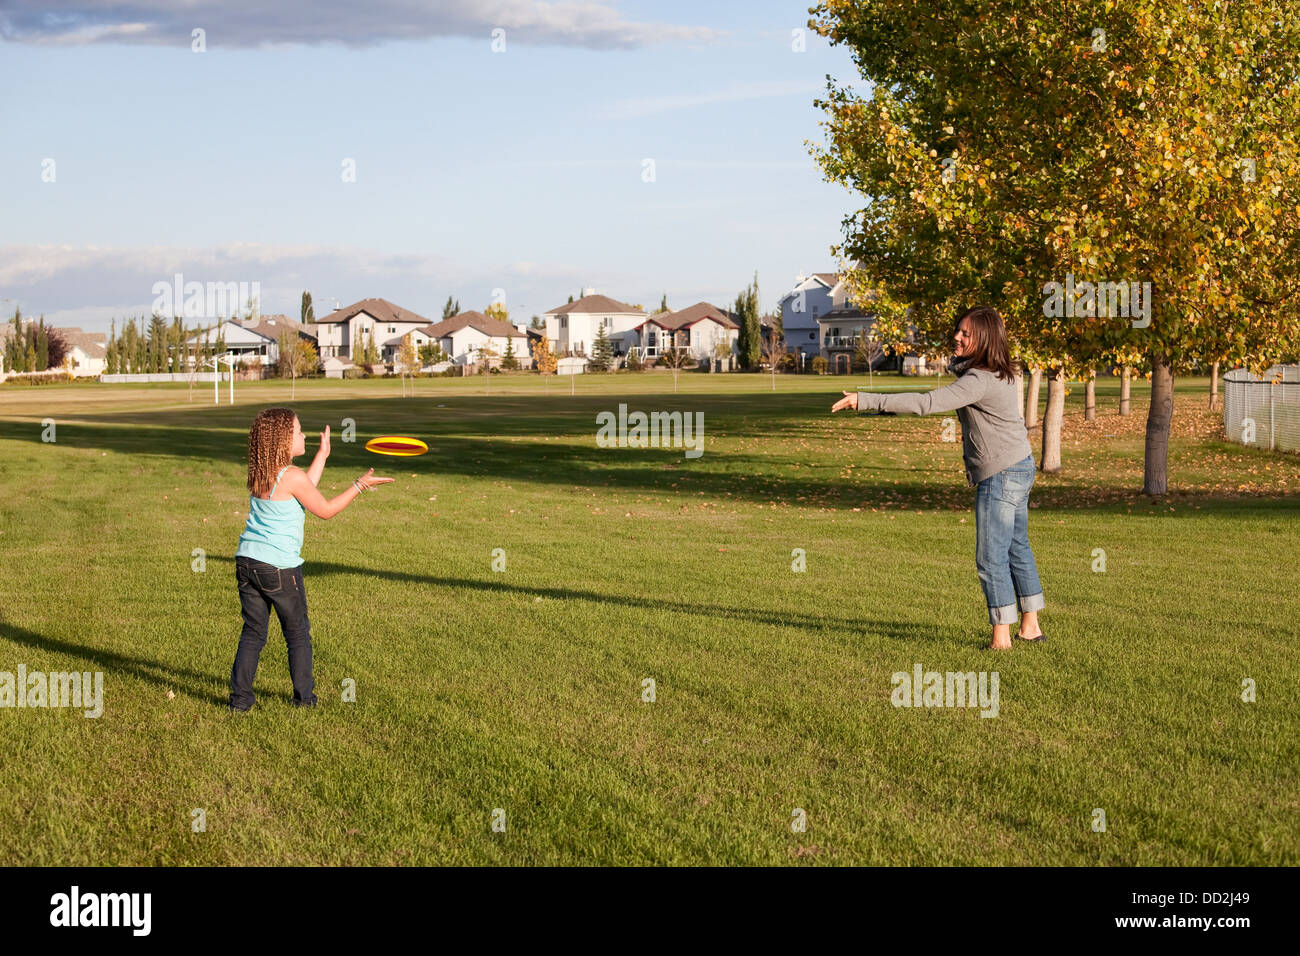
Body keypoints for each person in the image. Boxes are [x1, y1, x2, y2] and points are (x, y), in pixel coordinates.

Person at [831, 306, 1045, 650]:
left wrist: (865, 400)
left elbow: (925, 402)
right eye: (957, 330)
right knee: (1016, 545)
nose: (957, 338)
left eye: (966, 334)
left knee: (991, 555)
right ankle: (1030, 625)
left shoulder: (978, 380)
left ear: (984, 339)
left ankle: (1001, 639)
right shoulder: (1004, 372)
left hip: (1002, 473)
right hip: (1020, 465)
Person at [229, 407, 393, 711]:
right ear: (283, 440)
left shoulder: (263, 472)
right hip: (279, 568)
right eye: (299, 431)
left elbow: (306, 489)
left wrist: (323, 454)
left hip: (247, 562)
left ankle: (239, 702)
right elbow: (326, 509)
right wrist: (359, 486)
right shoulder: (291, 476)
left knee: (253, 633)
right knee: (297, 634)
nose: (304, 434)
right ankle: (304, 700)